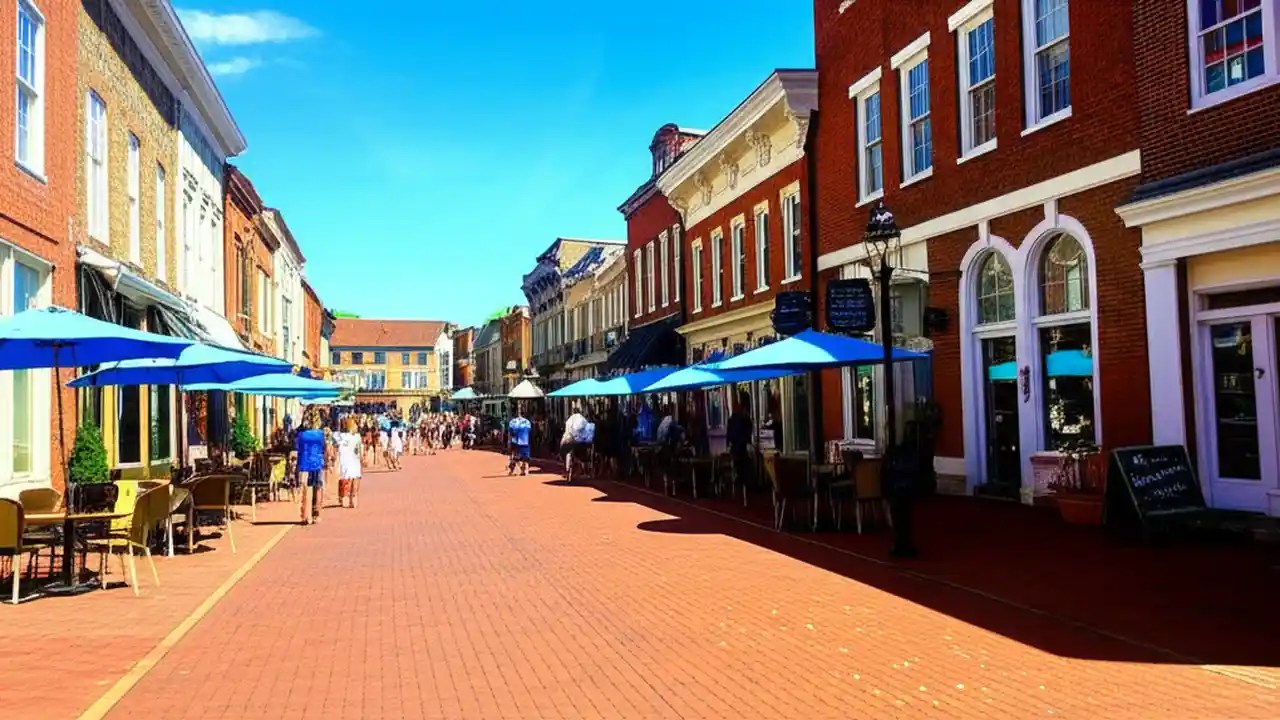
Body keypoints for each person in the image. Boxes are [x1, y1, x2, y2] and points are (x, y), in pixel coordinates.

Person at [295, 412, 327, 525]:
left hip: (304, 463)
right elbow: (323, 448)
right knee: (317, 488)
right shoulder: (320, 434)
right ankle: (316, 514)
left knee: (306, 489)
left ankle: (305, 515)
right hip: (317, 463)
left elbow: (297, 447)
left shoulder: (301, 435)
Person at [726, 393, 755, 489]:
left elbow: (729, 436)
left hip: (737, 447)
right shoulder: (744, 419)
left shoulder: (732, 420)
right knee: (745, 466)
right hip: (741, 447)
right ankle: (746, 484)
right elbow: (748, 432)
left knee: (740, 466)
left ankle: (741, 483)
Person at [335, 417, 363, 509]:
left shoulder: (340, 436)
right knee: (355, 478)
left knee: (346, 480)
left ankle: (345, 498)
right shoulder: (357, 436)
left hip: (345, 460)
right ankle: (354, 498)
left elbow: (334, 437)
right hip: (354, 460)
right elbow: (359, 450)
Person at [561, 405, 590, 481]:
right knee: (582, 455)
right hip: (579, 440)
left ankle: (567, 468)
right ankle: (582, 468)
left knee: (564, 451)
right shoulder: (583, 419)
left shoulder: (569, 419)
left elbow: (566, 430)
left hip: (569, 439)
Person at [508, 405, 533, 476]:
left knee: (515, 457)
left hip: (515, 442)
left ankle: (512, 471)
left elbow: (511, 433)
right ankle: (524, 470)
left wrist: (509, 442)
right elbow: (529, 431)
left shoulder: (512, 422)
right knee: (525, 458)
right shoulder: (527, 422)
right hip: (525, 441)